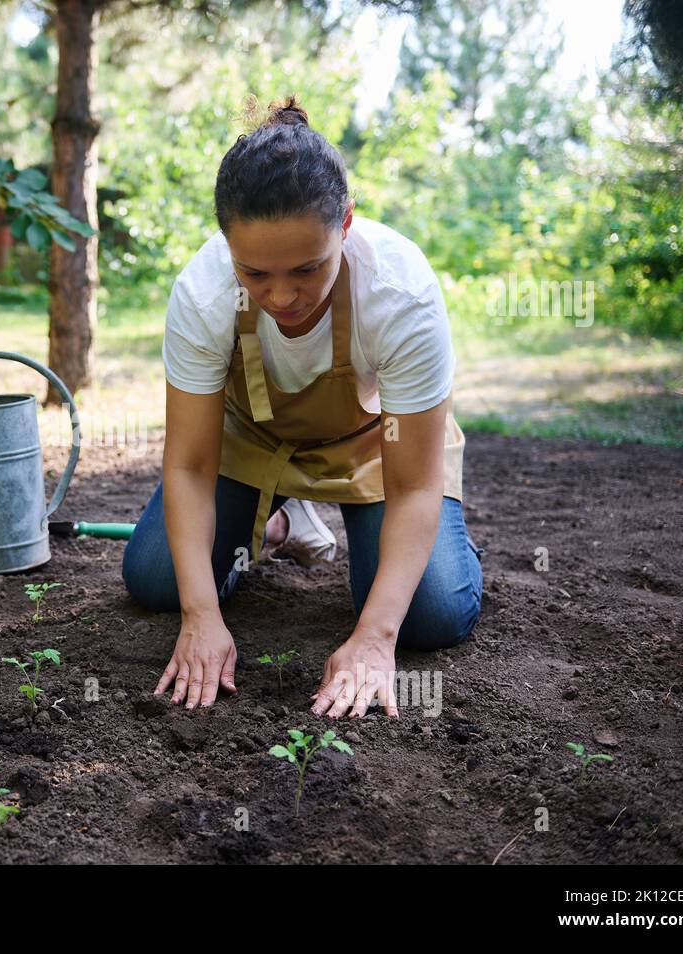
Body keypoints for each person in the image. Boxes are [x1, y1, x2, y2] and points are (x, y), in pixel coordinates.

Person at [121, 96, 483, 717]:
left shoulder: (401, 292)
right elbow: (188, 467)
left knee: (428, 616)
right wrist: (200, 616)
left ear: (345, 224)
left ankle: (404, 552)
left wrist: (373, 639)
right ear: (225, 241)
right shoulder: (201, 292)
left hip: (373, 445)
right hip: (252, 441)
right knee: (155, 581)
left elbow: (417, 483)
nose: (282, 295)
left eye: (307, 269)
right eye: (254, 273)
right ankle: (285, 522)